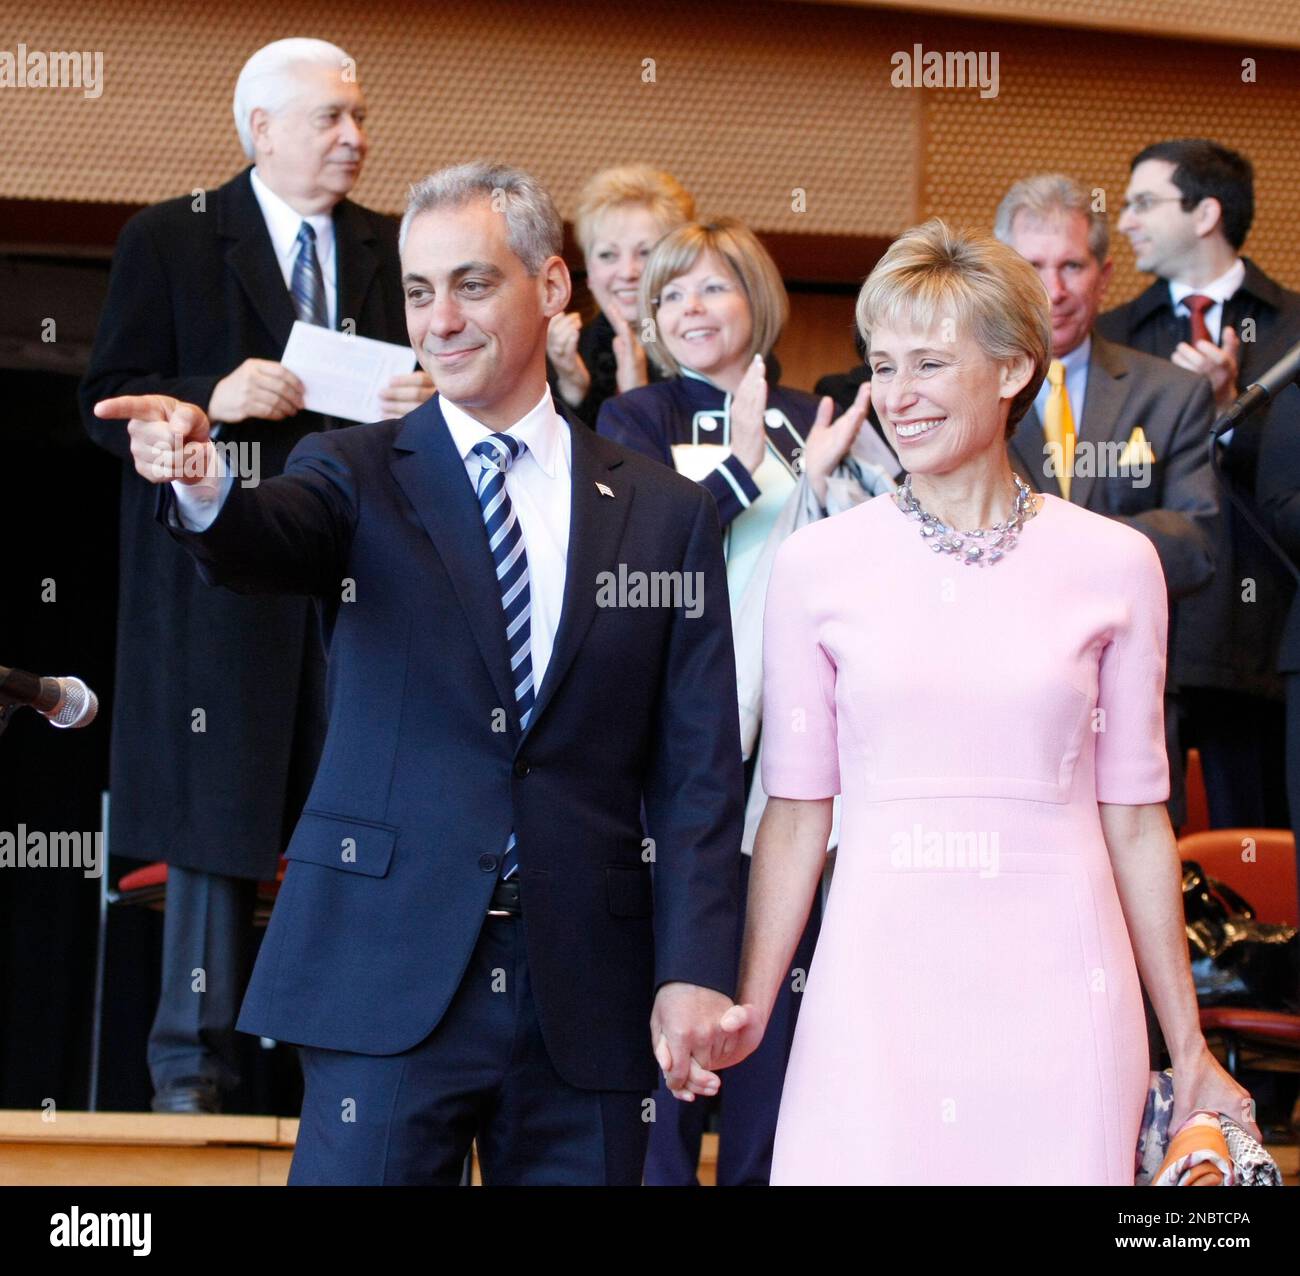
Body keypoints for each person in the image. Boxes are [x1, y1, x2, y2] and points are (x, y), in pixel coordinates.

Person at [94, 161, 742, 1185]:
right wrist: (206, 487)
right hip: (384, 973)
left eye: (472, 285)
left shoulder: (669, 514)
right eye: (418, 291)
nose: (440, 320)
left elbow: (699, 769)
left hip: (587, 988)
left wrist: (696, 966)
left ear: (553, 286)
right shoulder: (351, 472)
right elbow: (259, 537)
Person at [712, 220, 1256, 1185]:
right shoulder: (817, 565)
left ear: (1012, 369)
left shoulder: (1118, 562)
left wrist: (1188, 1042)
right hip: (876, 978)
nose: (896, 395)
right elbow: (795, 810)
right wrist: (752, 1005)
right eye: (883, 365)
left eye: (928, 363)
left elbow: (1137, 819)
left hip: (1066, 980)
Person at [78, 37, 433, 1114]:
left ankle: (355, 1071)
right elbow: (103, 402)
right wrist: (212, 396)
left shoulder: (392, 246)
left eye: (361, 116)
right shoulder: (169, 237)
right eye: (331, 117)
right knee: (216, 813)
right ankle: (192, 1075)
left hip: (359, 581)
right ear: (260, 128)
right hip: (216, 582)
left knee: (362, 816)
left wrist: (431, 400)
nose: (355, 137)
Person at [598, 217, 872, 1185]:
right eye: (669, 294)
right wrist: (742, 466)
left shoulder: (816, 410)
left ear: (756, 299)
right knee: (677, 968)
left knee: (777, 977)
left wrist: (823, 485)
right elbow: (632, 565)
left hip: (794, 740)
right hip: (675, 737)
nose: (689, 309)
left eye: (711, 286)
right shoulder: (633, 419)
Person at [994, 172, 1218, 829]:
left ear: (1105, 275)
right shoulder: (969, 389)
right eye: (1033, 267)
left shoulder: (1171, 394)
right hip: (997, 697)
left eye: (1072, 266)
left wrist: (1056, 543)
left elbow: (1197, 543)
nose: (1055, 289)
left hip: (1129, 704)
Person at [1097, 139, 1300, 829]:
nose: (1125, 221)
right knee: (1134, 844)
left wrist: (1230, 411)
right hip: (1139, 641)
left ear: (1206, 213)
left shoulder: (1293, 330)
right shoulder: (1112, 336)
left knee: (1256, 856)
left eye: (1143, 203)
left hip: (1258, 644)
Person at [546, 164, 695, 425]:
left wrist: (637, 395)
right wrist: (574, 388)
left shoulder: (706, 348)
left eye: (645, 253)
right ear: (590, 271)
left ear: (678, 263)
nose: (627, 272)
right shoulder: (566, 354)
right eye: (608, 255)